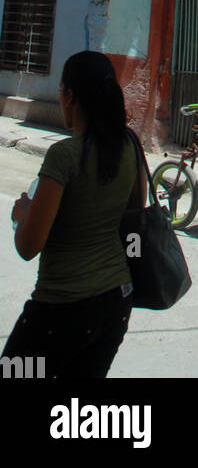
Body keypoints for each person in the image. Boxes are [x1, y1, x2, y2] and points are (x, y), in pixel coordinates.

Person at [2, 51, 143, 378]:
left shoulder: (63, 156)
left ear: (68, 95)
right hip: (115, 303)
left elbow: (28, 246)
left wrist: (22, 211)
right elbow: (133, 216)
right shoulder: (130, 145)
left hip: (60, 311)